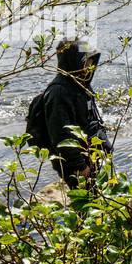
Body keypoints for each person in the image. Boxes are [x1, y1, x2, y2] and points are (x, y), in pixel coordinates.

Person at [29, 40, 112, 188]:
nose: (91, 67)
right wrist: (80, 166)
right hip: (77, 164)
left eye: (93, 61)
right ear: (73, 62)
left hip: (91, 155)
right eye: (87, 62)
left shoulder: (81, 84)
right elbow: (61, 135)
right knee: (88, 203)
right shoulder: (59, 93)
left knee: (101, 199)